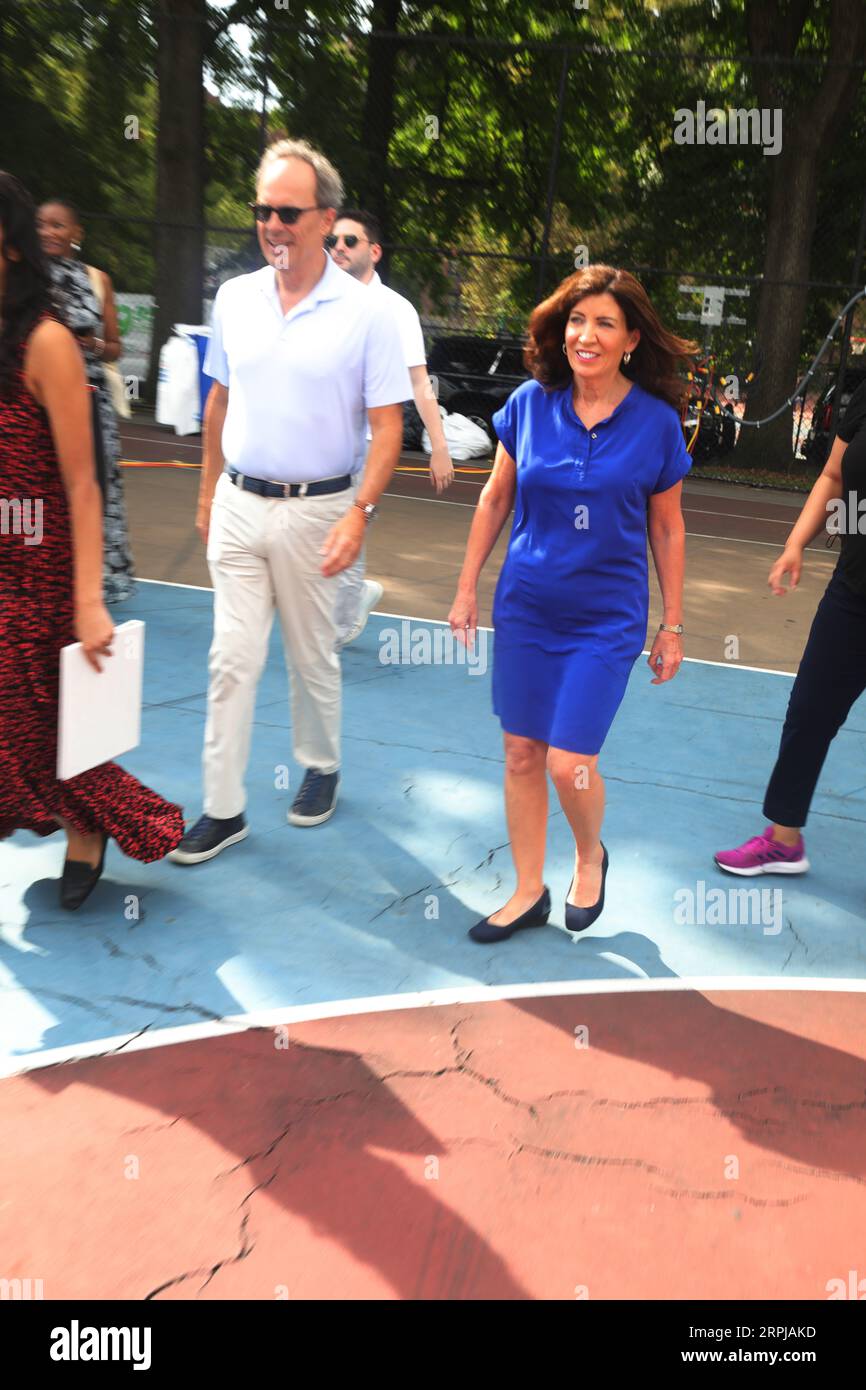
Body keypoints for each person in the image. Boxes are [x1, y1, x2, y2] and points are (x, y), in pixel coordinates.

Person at [169, 139, 410, 865]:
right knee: (230, 660)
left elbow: (388, 427)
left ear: (324, 216)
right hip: (240, 504)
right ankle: (223, 808)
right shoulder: (235, 299)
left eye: (287, 212)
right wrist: (208, 488)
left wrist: (358, 512)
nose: (272, 224)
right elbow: (218, 400)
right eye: (262, 211)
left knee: (311, 656)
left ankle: (321, 764)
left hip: (320, 510)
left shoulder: (366, 314)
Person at [448, 265, 696, 941]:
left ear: (632, 340)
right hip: (527, 604)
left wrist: (672, 624)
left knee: (569, 761)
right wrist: (468, 584)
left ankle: (591, 853)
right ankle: (528, 891)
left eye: (604, 324)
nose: (586, 335)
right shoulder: (529, 405)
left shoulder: (655, 424)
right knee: (522, 752)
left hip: (606, 617)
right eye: (577, 321)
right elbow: (496, 496)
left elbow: (667, 526)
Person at [0, 172, 183, 909]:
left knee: (50, 709)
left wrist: (86, 599)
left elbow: (83, 482)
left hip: (38, 560)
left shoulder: (46, 341)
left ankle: (90, 825)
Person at [714, 378, 866, 877]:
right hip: (854, 592)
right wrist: (796, 543)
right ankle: (783, 840)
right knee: (809, 711)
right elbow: (833, 476)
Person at [327, 208, 454, 647]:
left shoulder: (395, 310)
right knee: (310, 531)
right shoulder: (318, 298)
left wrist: (439, 446)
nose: (338, 248)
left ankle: (339, 626)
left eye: (349, 241)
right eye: (333, 241)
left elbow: (420, 381)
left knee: (349, 526)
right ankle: (352, 596)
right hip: (319, 438)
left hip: (366, 442)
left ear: (374, 251)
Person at [36, 197, 136, 604]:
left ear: (77, 233)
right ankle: (39, 568)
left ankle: (97, 577)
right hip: (38, 399)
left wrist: (88, 343)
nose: (48, 232)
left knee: (94, 484)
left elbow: (114, 347)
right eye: (41, 225)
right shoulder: (22, 275)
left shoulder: (98, 280)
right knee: (37, 484)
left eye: (58, 225)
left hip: (90, 398)